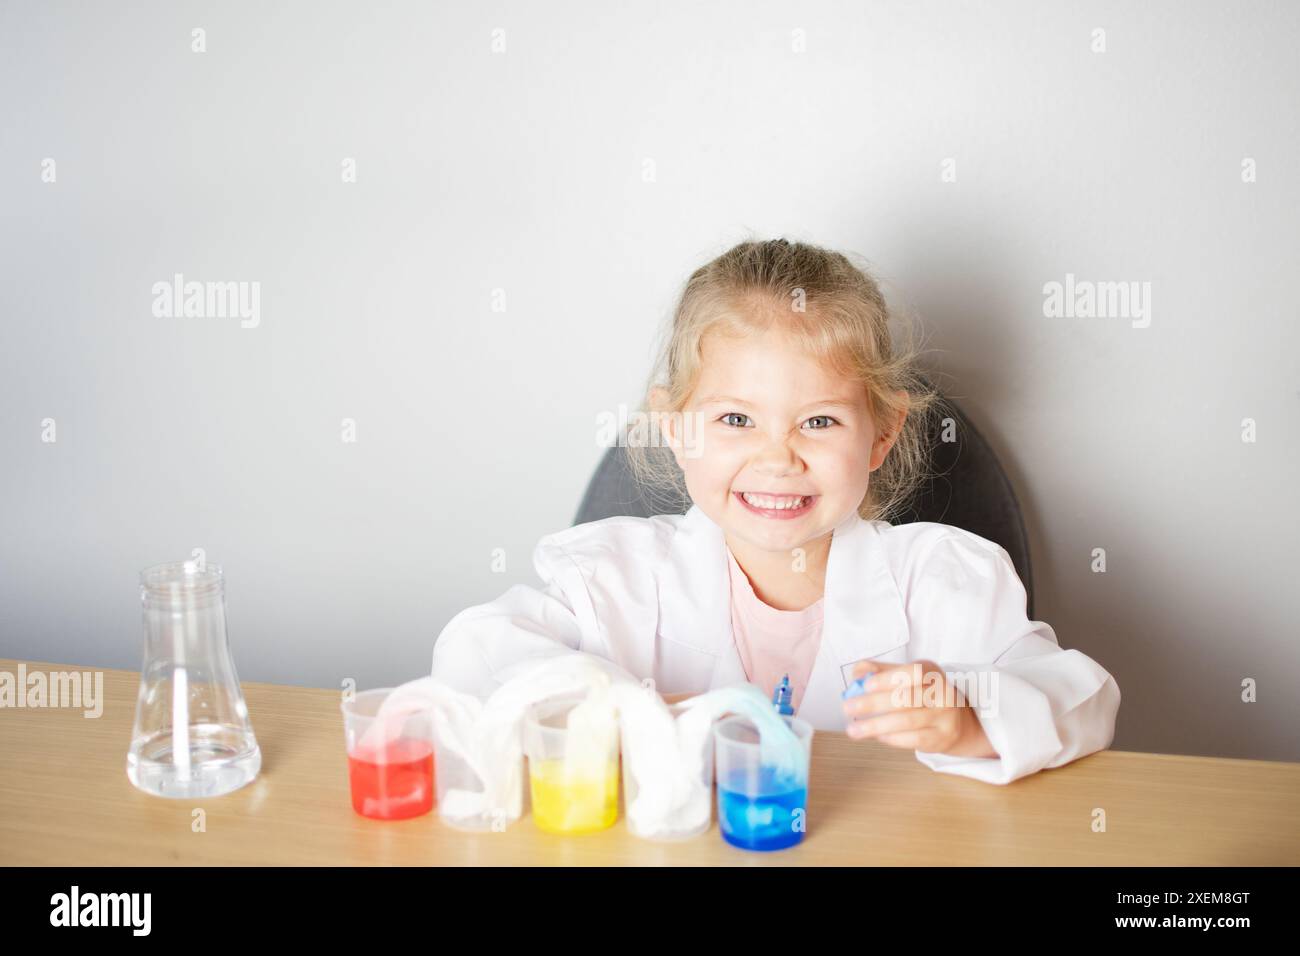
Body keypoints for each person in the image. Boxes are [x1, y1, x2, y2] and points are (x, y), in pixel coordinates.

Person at [431, 237, 1120, 784]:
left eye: (818, 423)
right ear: (677, 428)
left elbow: (1085, 701)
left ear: (881, 434)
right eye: (736, 418)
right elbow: (473, 657)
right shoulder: (614, 576)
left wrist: (968, 719)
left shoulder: (942, 580)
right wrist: (630, 712)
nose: (778, 459)